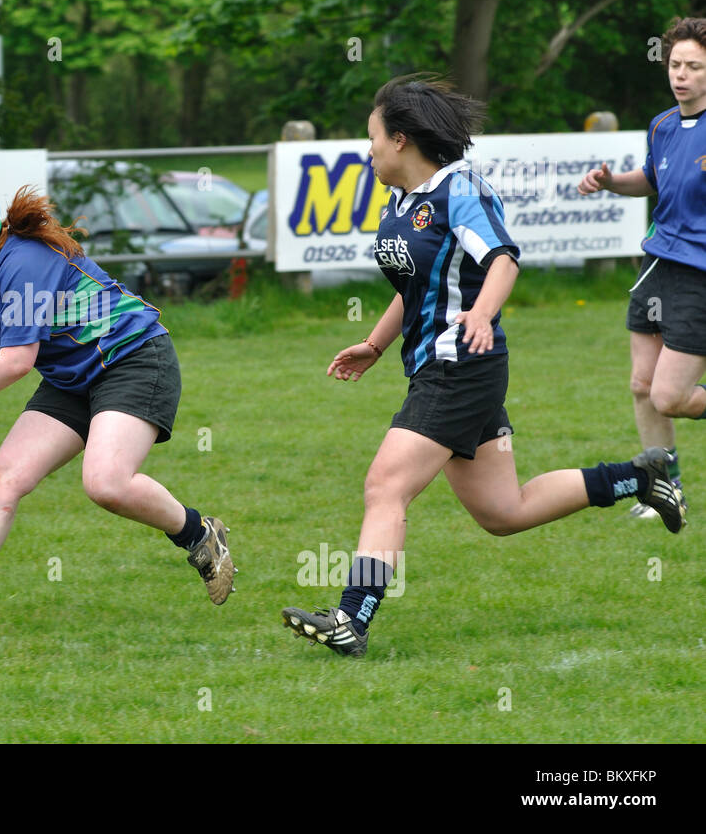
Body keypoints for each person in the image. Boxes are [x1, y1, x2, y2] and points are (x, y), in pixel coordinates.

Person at [281, 75, 686, 659]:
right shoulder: (403, 201)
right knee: (503, 511)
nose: (365, 148)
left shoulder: (460, 189)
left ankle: (351, 618)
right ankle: (642, 476)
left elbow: (501, 258)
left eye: (370, 136)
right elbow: (418, 287)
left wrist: (481, 313)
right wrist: (374, 344)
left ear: (400, 140)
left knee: (384, 485)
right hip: (443, 364)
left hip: (458, 366)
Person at [0, 185, 235, 633]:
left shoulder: (22, 262)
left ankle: (201, 535)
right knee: (4, 479)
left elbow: (16, 362)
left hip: (133, 360)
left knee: (106, 483)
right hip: (72, 379)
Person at [578, 16, 706, 520]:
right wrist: (611, 183)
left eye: (694, 67)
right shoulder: (662, 125)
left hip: (700, 274)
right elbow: (651, 180)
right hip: (657, 265)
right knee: (641, 386)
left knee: (670, 396)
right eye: (676, 64)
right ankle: (665, 488)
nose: (682, 75)